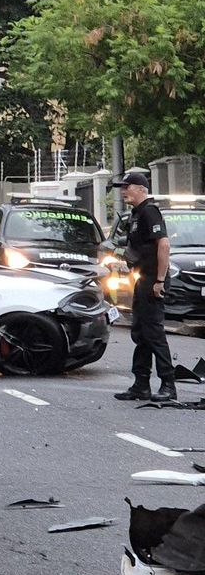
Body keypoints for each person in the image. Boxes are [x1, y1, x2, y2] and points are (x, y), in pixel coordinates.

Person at [113, 170, 176, 403]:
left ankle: (168, 385)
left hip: (153, 280)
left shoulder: (150, 212)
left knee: (154, 333)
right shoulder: (137, 214)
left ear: (141, 189)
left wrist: (160, 280)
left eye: (127, 187)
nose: (123, 191)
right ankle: (141, 385)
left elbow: (164, 246)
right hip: (143, 278)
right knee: (140, 332)